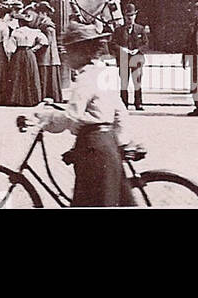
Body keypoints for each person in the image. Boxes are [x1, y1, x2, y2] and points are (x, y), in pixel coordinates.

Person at [33, 22, 132, 206]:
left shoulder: (86, 78)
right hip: (107, 145)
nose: (65, 55)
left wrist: (44, 119)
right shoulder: (102, 73)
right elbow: (119, 112)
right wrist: (122, 142)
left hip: (92, 148)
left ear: (83, 52)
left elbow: (72, 116)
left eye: (69, 51)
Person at [111, 3, 150, 111]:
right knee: (124, 82)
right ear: (124, 16)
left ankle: (138, 103)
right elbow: (113, 44)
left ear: (135, 16)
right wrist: (122, 49)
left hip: (137, 58)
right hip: (124, 58)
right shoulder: (119, 30)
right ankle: (124, 103)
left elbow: (146, 44)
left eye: (132, 15)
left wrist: (138, 50)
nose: (130, 18)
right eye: (128, 16)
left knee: (137, 81)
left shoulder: (140, 29)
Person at [5, 12, 46, 108]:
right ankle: (31, 99)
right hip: (29, 53)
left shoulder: (16, 32)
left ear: (20, 22)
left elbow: (10, 48)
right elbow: (44, 41)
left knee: (18, 75)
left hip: (18, 53)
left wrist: (10, 55)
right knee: (30, 74)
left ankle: (17, 99)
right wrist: (34, 49)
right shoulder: (34, 31)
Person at [31, 2, 63, 104]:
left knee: (45, 74)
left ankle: (46, 95)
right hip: (49, 55)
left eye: (38, 13)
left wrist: (35, 47)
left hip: (47, 55)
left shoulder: (47, 26)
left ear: (43, 13)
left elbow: (47, 42)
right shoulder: (45, 24)